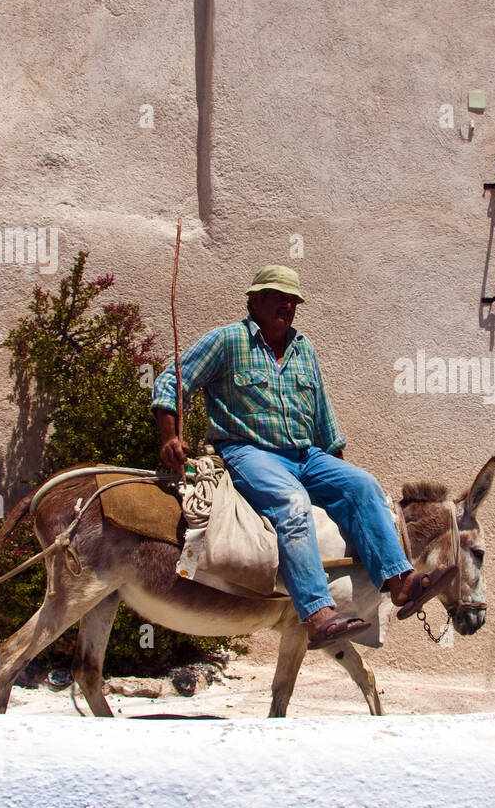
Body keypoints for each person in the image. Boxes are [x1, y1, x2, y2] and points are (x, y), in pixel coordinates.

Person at [151, 264, 457, 649]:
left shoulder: (303, 347)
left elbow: (323, 417)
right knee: (292, 503)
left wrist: (338, 467)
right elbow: (173, 379)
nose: (288, 307)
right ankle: (316, 614)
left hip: (304, 454)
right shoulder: (228, 341)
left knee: (363, 485)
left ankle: (401, 583)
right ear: (254, 300)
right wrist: (169, 436)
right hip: (248, 451)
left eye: (293, 301)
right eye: (279, 299)